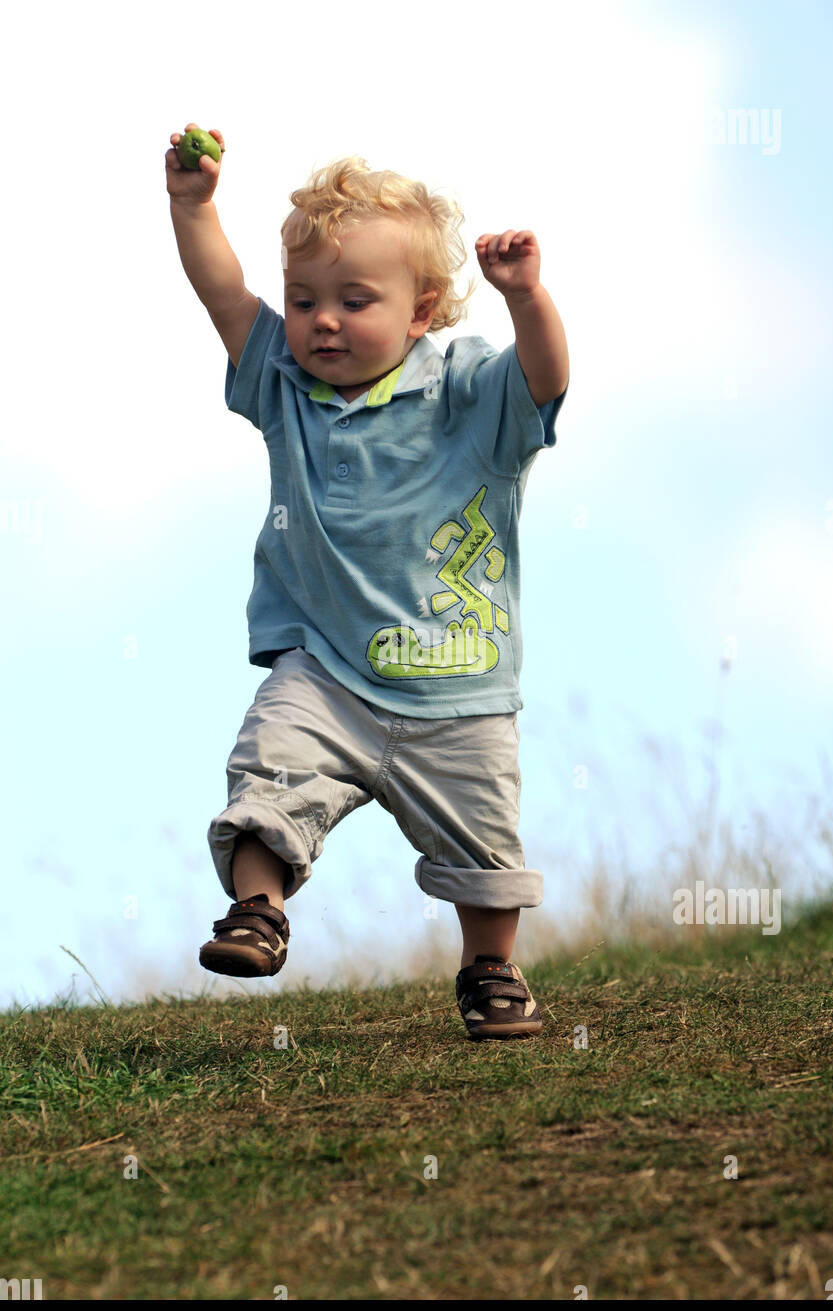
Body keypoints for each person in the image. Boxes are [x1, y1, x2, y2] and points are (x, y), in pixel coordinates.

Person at [165, 123, 569, 1040]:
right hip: (328, 669)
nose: (322, 321)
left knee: (482, 844)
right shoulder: (281, 384)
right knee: (270, 772)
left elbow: (544, 381)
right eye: (303, 300)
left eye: (354, 300)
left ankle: (490, 971)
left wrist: (527, 299)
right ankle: (258, 914)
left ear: (422, 311)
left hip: (459, 682)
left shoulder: (468, 395)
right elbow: (223, 293)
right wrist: (194, 206)